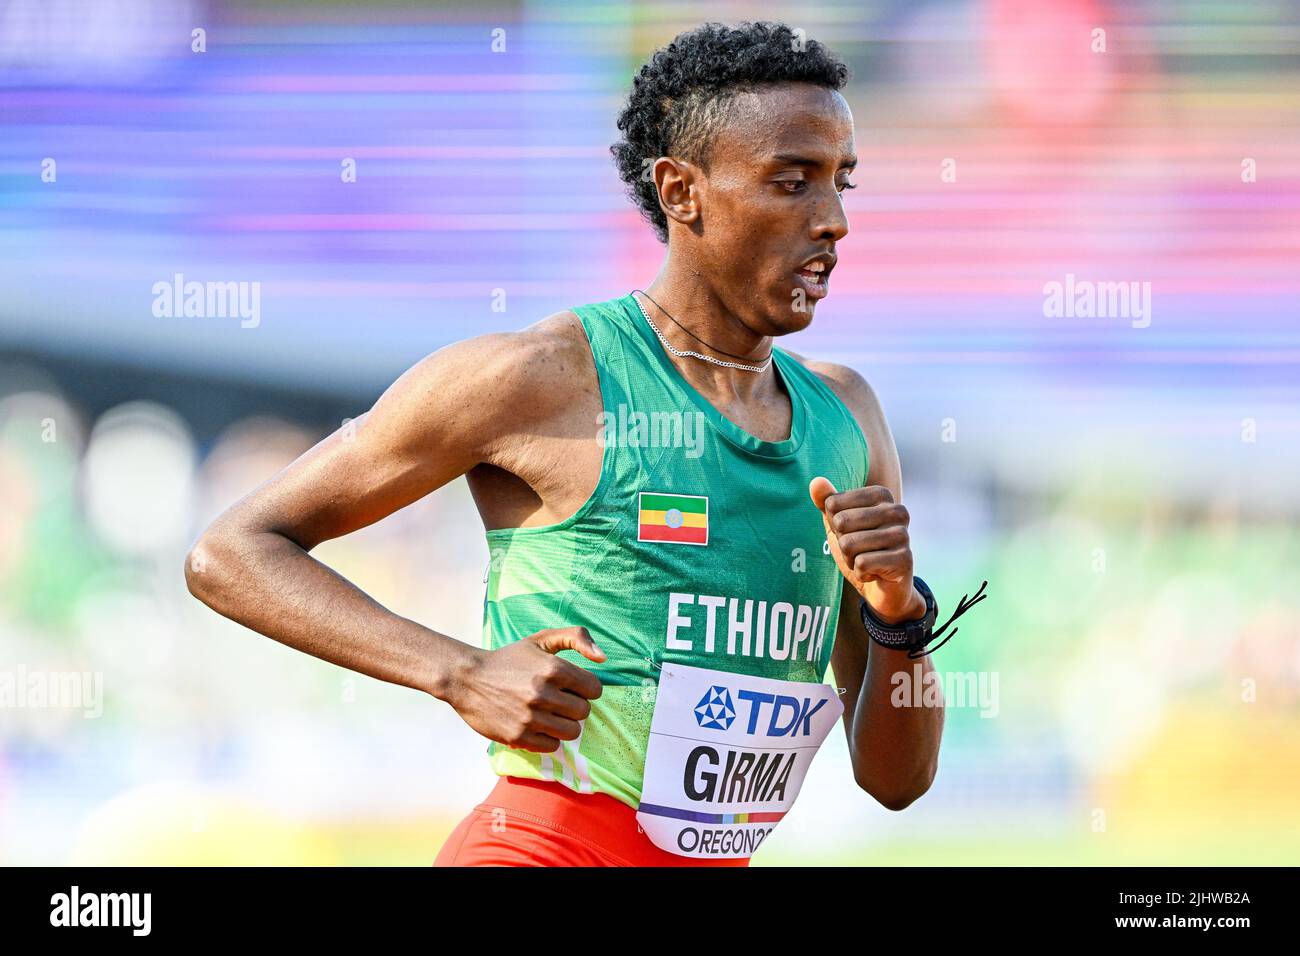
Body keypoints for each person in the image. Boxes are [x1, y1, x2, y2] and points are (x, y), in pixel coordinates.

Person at [185, 20, 944, 867]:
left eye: (843, 182)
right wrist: (457, 671)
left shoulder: (846, 416)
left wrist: (899, 619)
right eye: (792, 181)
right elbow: (230, 552)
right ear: (680, 190)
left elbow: (897, 782)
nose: (834, 219)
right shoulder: (540, 378)